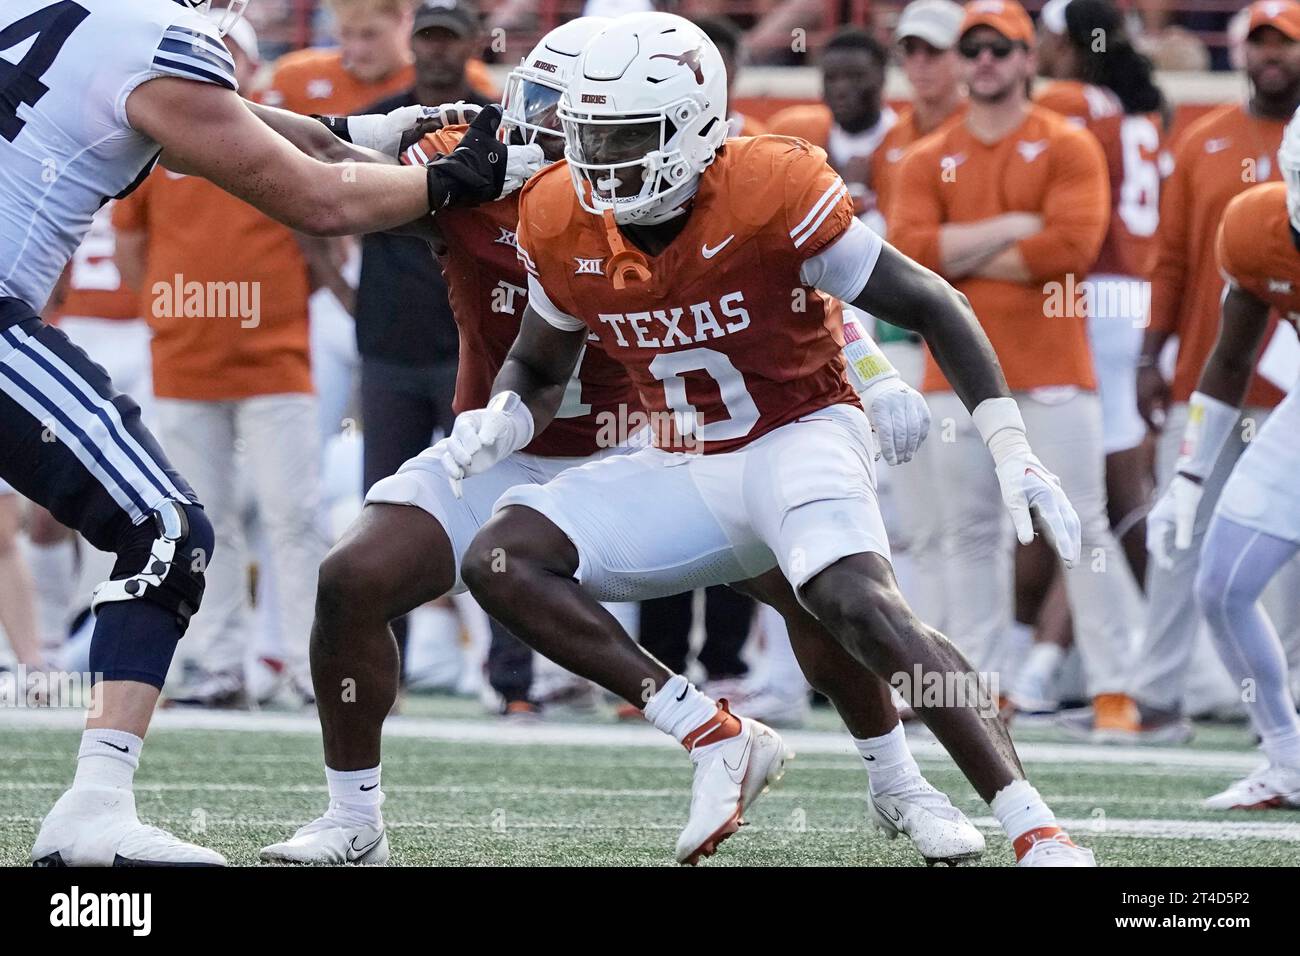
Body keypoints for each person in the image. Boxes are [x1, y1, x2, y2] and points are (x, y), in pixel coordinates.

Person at [262, 15, 985, 869]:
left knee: (816, 591)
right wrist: (188, 108)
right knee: (351, 579)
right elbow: (309, 168)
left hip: (652, 438)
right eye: (533, 103)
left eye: (562, 112)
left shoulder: (681, 175)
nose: (534, 126)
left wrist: (876, 376)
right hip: (509, 443)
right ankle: (355, 818)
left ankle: (901, 783)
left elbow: (790, 286)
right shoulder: (474, 164)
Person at [452, 11, 1092, 867]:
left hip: (801, 429)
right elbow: (537, 364)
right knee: (500, 556)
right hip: (682, 458)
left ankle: (1034, 826)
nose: (600, 163)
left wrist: (1010, 448)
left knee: (855, 605)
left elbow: (933, 300)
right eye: (589, 137)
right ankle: (711, 729)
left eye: (627, 137)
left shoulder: (770, 188)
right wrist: (502, 416)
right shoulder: (558, 213)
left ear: (692, 126)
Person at [1, 0, 533, 867]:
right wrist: (459, 180)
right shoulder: (153, 41)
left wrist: (361, 129)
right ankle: (92, 807)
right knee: (164, 531)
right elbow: (316, 198)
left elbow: (246, 129)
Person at [888, 0, 1145, 739]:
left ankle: (1115, 690)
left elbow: (1066, 249)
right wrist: (1011, 230)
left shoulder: (1068, 143)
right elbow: (912, 257)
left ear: (1030, 57)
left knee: (1082, 530)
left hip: (1054, 371)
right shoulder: (927, 156)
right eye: (973, 50)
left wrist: (958, 252)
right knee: (969, 536)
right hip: (958, 378)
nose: (985, 62)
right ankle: (976, 686)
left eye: (1000, 48)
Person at [112, 16, 326, 708]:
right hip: (184, 355)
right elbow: (130, 245)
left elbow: (317, 238)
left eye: (224, 50)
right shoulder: (154, 129)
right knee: (202, 521)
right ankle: (220, 661)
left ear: (249, 64)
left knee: (294, 514)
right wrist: (174, 311)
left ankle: (306, 661)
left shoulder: (279, 130)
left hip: (275, 356)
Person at [1127, 0, 1300, 740]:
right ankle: (1160, 692)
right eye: (1259, 42)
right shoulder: (1203, 145)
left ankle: (1282, 707)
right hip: (1217, 375)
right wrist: (1150, 350)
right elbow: (1170, 259)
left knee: (1283, 557)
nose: (1271, 56)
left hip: (1286, 392)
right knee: (1182, 526)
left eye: (1285, 44)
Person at [1009, 0, 1167, 718]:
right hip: (1131, 296)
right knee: (1113, 494)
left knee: (1087, 498)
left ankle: (1053, 662)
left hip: (1085, 295)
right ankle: (1139, 652)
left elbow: (1045, 195)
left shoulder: (1070, 102)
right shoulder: (1136, 109)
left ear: (1068, 45)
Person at [1152, 156, 1300, 809]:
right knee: (1222, 584)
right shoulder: (1256, 226)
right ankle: (1289, 759)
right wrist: (1188, 474)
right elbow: (1233, 354)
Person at [767, 27, 896, 233]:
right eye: (831, 78)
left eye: (855, 77)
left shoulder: (908, 141)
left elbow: (905, 239)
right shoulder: (796, 135)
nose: (841, 89)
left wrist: (855, 196)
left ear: (881, 77)